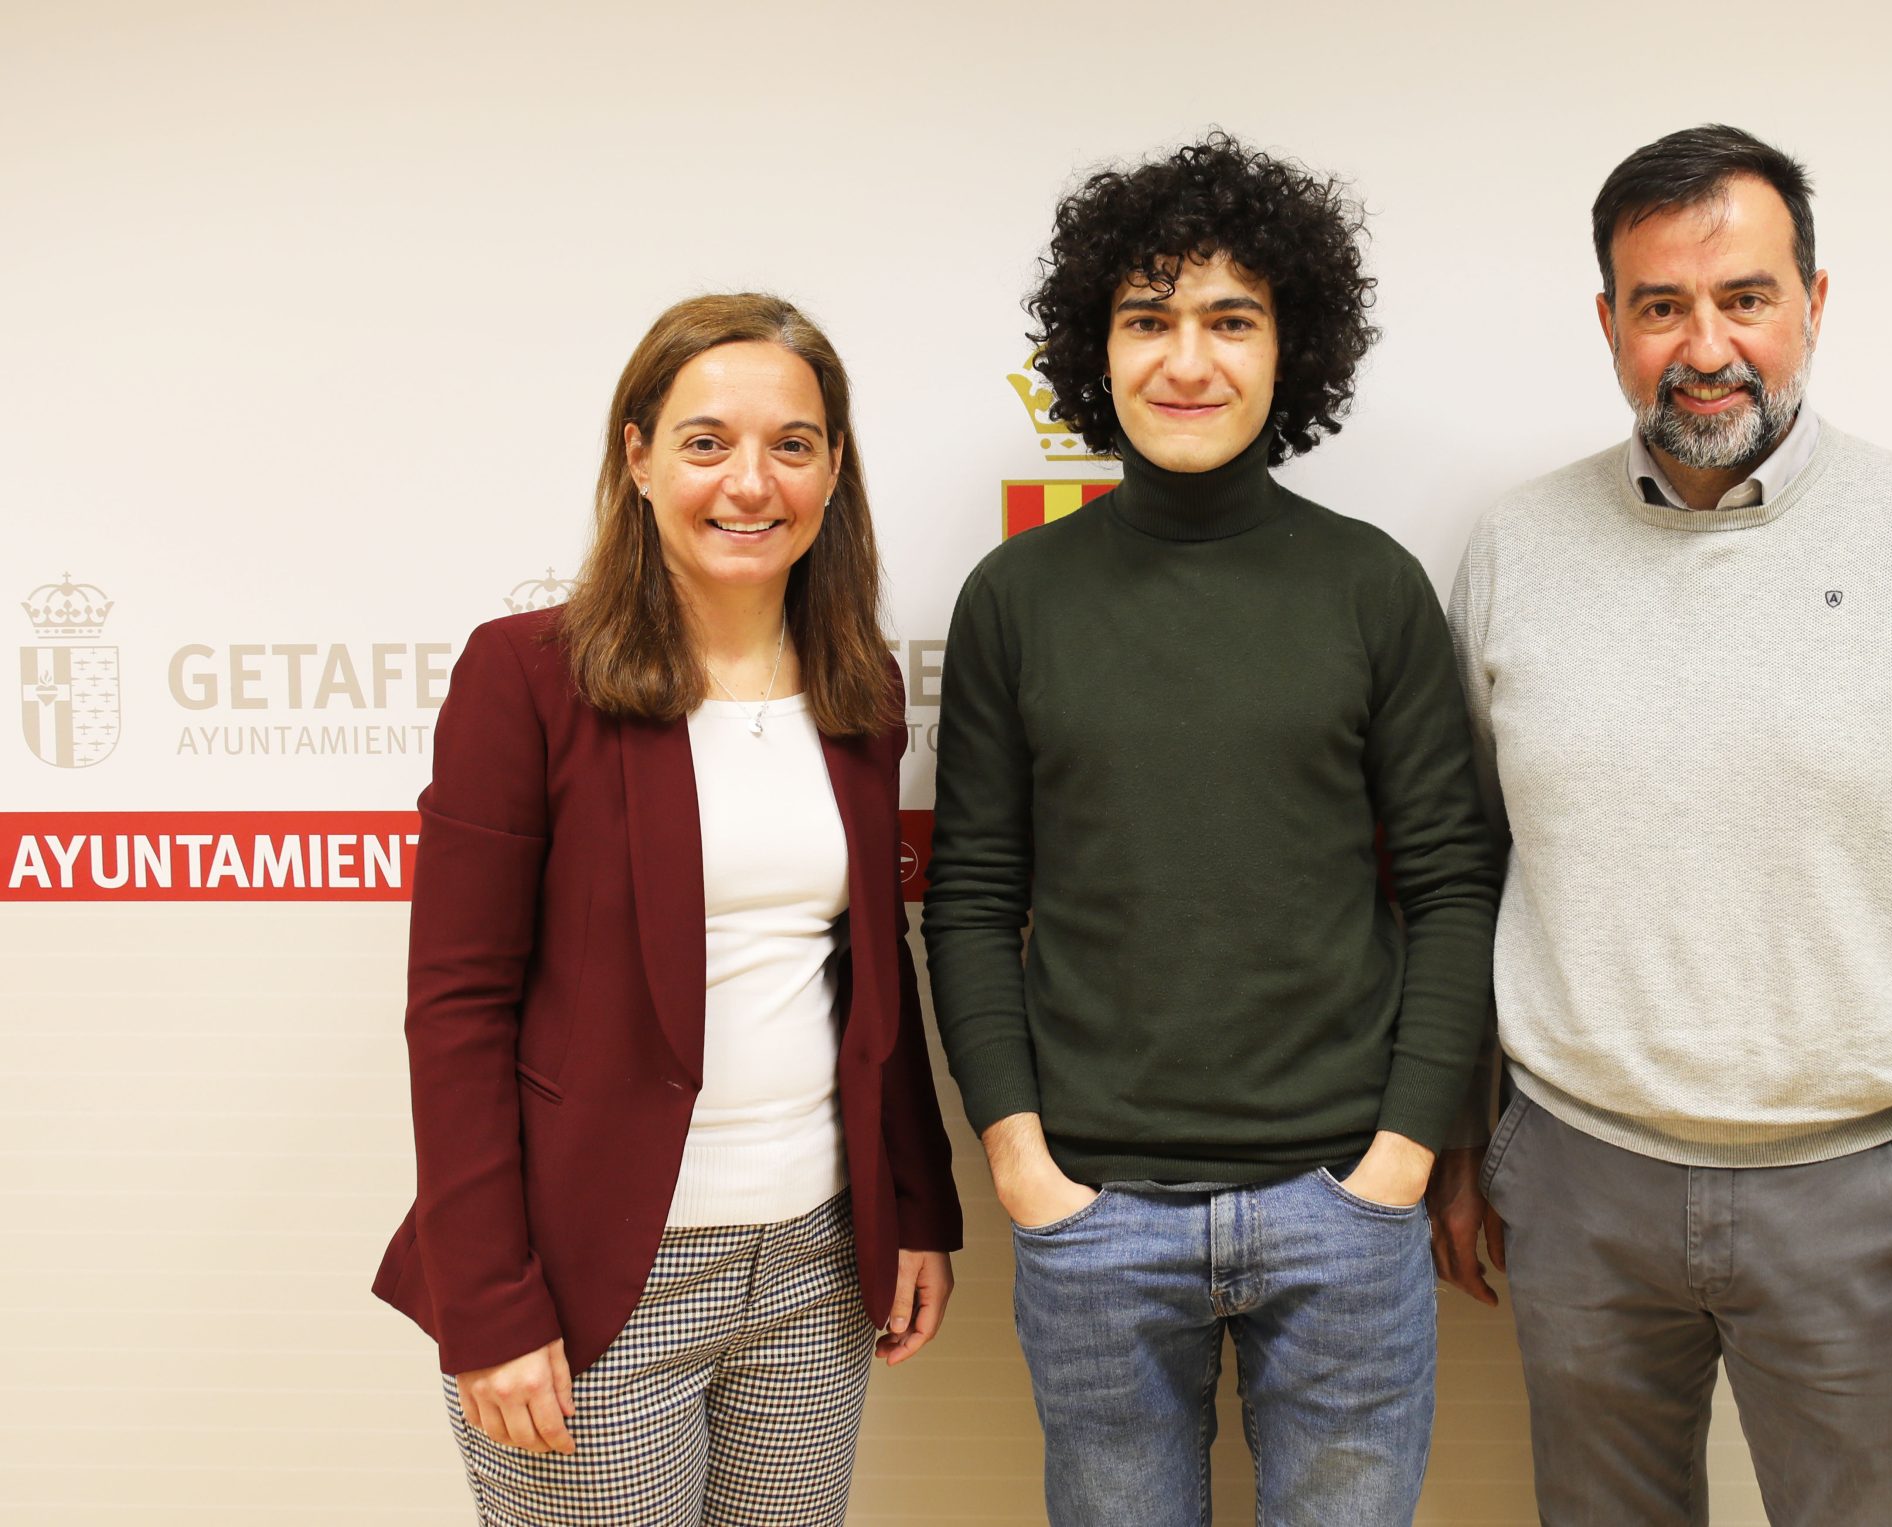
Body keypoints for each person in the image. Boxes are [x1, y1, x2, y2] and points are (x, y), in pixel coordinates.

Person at [1426, 125, 1892, 1525]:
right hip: (1574, 1180)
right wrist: (1463, 1134)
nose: (1706, 345)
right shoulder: (1515, 548)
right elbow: (1467, 867)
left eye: (1745, 296)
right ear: (1609, 321)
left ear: (1815, 300)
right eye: (1661, 305)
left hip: (1864, 1195)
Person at [924, 135, 1499, 1525]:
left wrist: (1404, 1157)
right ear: (1096, 349)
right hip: (1095, 1212)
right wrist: (1019, 1157)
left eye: (1230, 319)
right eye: (1149, 319)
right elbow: (970, 896)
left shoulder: (1371, 586)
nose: (1188, 359)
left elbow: (1452, 880)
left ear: (1286, 347)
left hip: (1341, 1205)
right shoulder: (1016, 598)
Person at [373, 293, 964, 1525]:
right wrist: (489, 1305)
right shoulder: (524, 677)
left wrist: (915, 1206)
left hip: (811, 1260)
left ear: (833, 467)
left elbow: (872, 973)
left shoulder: (857, 688)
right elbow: (458, 1007)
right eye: (705, 443)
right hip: (594, 1277)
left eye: (791, 445)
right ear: (636, 457)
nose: (750, 483)